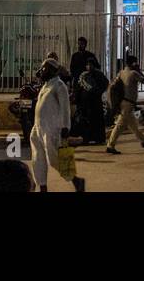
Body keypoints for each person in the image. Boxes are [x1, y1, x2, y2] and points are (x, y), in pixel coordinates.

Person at [31, 58, 84, 191]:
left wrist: (65, 127)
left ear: (52, 70)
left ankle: (76, 180)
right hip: (38, 128)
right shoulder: (46, 85)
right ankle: (42, 187)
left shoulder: (59, 86)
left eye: (44, 68)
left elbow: (65, 108)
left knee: (54, 159)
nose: (41, 71)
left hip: (51, 129)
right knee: (38, 159)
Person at [106, 54, 144, 154]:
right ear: (133, 63)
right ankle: (110, 145)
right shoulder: (133, 73)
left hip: (124, 102)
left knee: (133, 125)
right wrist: (139, 70)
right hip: (128, 103)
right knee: (119, 125)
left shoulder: (122, 72)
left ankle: (143, 141)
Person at [74, 56, 109, 144]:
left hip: (95, 102)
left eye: (90, 64)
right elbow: (80, 87)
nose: (89, 66)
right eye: (87, 65)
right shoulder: (84, 75)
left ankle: (99, 139)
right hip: (86, 103)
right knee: (87, 121)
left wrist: (97, 92)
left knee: (97, 120)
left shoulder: (99, 74)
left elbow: (105, 84)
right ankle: (88, 138)